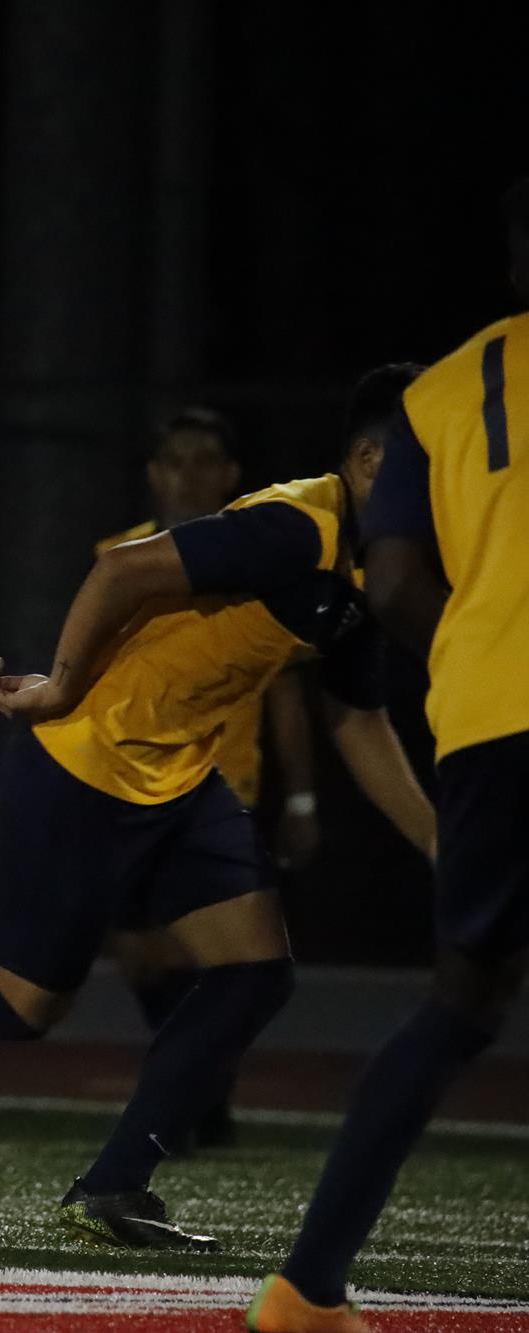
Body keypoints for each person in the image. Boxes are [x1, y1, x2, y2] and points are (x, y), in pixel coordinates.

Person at [0, 364, 435, 1250]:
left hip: (179, 781)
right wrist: (58, 686)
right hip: (84, 763)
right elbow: (123, 570)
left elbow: (356, 714)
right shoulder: (299, 527)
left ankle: (113, 1186)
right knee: (22, 1004)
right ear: (371, 460)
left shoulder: (367, 564)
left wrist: (438, 842)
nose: (447, 488)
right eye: (434, 464)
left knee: (257, 971)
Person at [248, 181, 529, 1333]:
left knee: (459, 1004)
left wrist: (476, 652)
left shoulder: (431, 395)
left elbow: (398, 580)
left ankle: (303, 1286)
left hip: (482, 720)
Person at [96, 408, 322, 1152]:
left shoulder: (265, 555)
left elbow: (286, 691)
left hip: (226, 785)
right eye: (174, 459)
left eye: (204, 459)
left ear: (230, 474)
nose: (188, 473)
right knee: (138, 950)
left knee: (220, 958)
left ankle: (190, 1099)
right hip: (132, 781)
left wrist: (301, 795)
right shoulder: (119, 556)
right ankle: (196, 1089)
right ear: (154, 474)